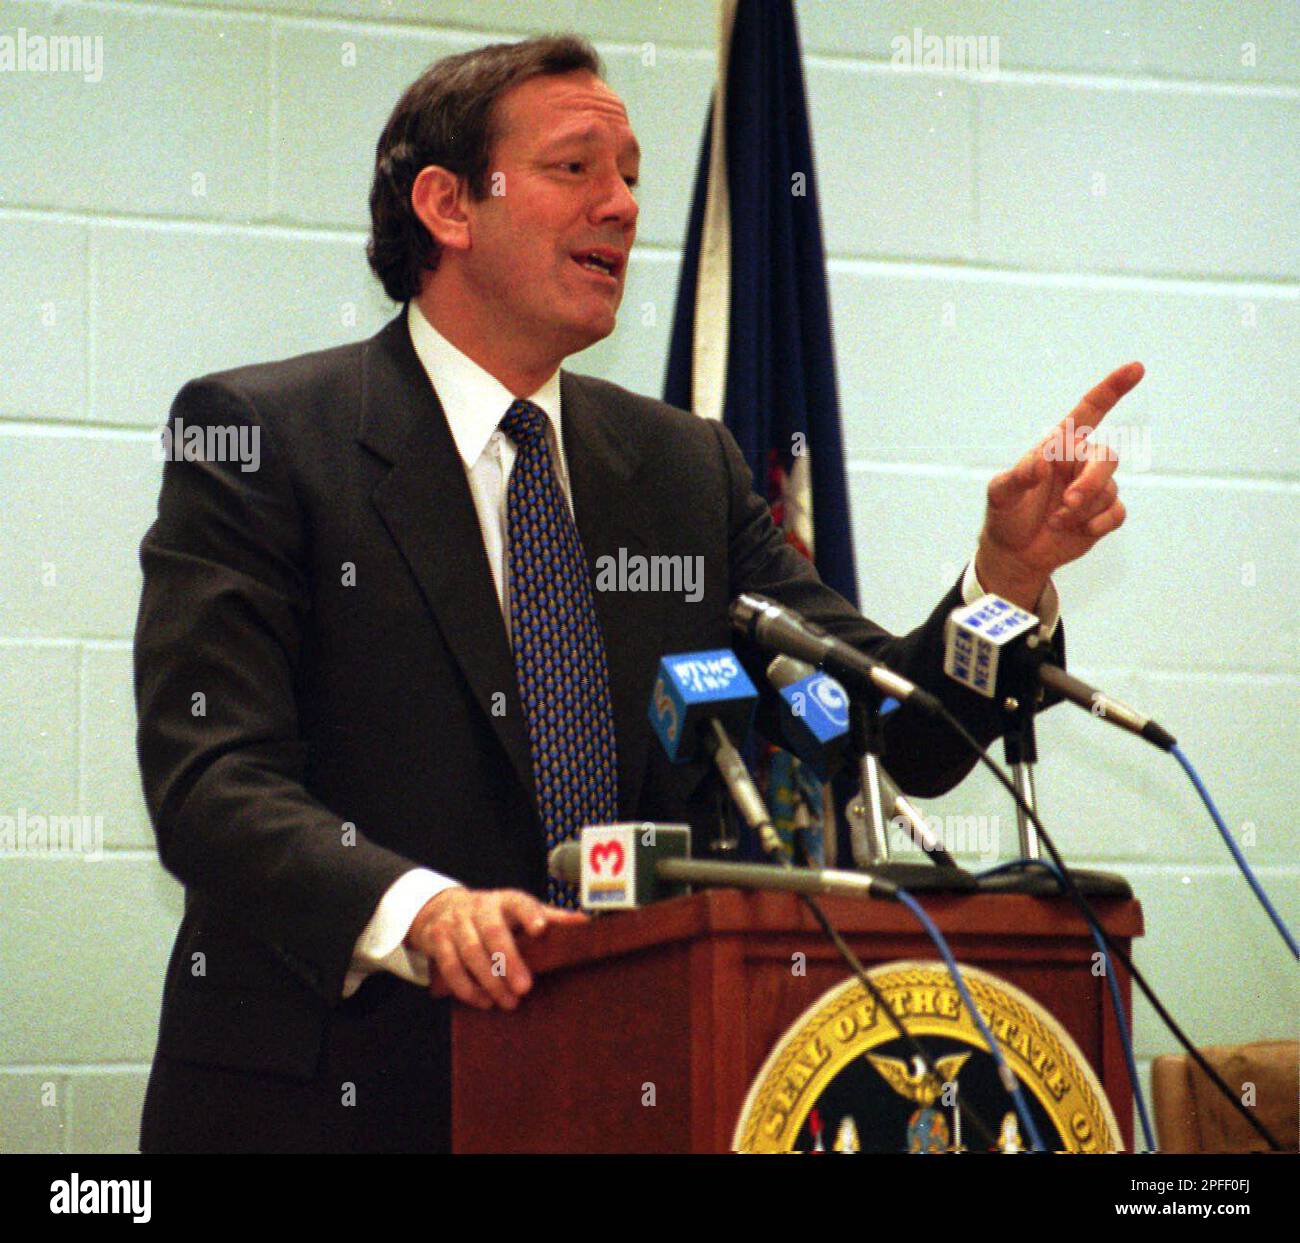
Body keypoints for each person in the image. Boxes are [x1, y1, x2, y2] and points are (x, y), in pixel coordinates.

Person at [133, 34, 1140, 1153]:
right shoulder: (265, 439)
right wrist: (427, 908)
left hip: (628, 1086)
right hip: (333, 1103)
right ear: (447, 205)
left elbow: (895, 730)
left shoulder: (679, 469)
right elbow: (210, 782)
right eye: (577, 168)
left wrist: (1006, 580)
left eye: (633, 177)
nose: (621, 206)